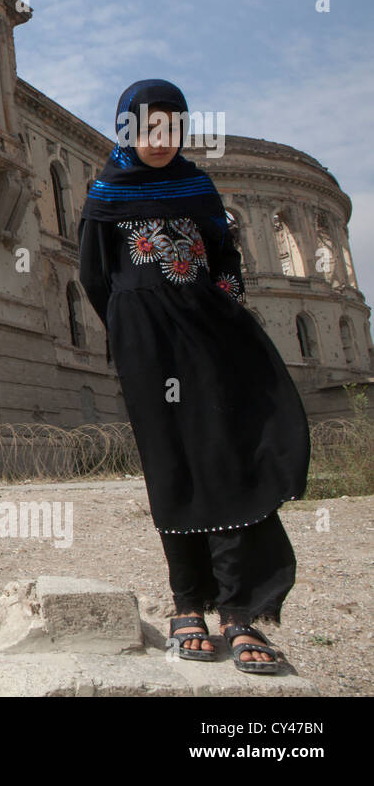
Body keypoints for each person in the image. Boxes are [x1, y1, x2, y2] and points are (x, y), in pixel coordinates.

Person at [77, 78, 309, 674]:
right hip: (146, 343)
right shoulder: (107, 191)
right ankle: (188, 602)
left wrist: (222, 309)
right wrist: (137, 322)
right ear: (128, 127)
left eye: (171, 127)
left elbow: (224, 253)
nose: (159, 139)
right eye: (147, 127)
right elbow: (96, 276)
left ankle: (239, 611)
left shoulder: (195, 185)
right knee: (170, 461)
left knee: (225, 452)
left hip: (209, 333)